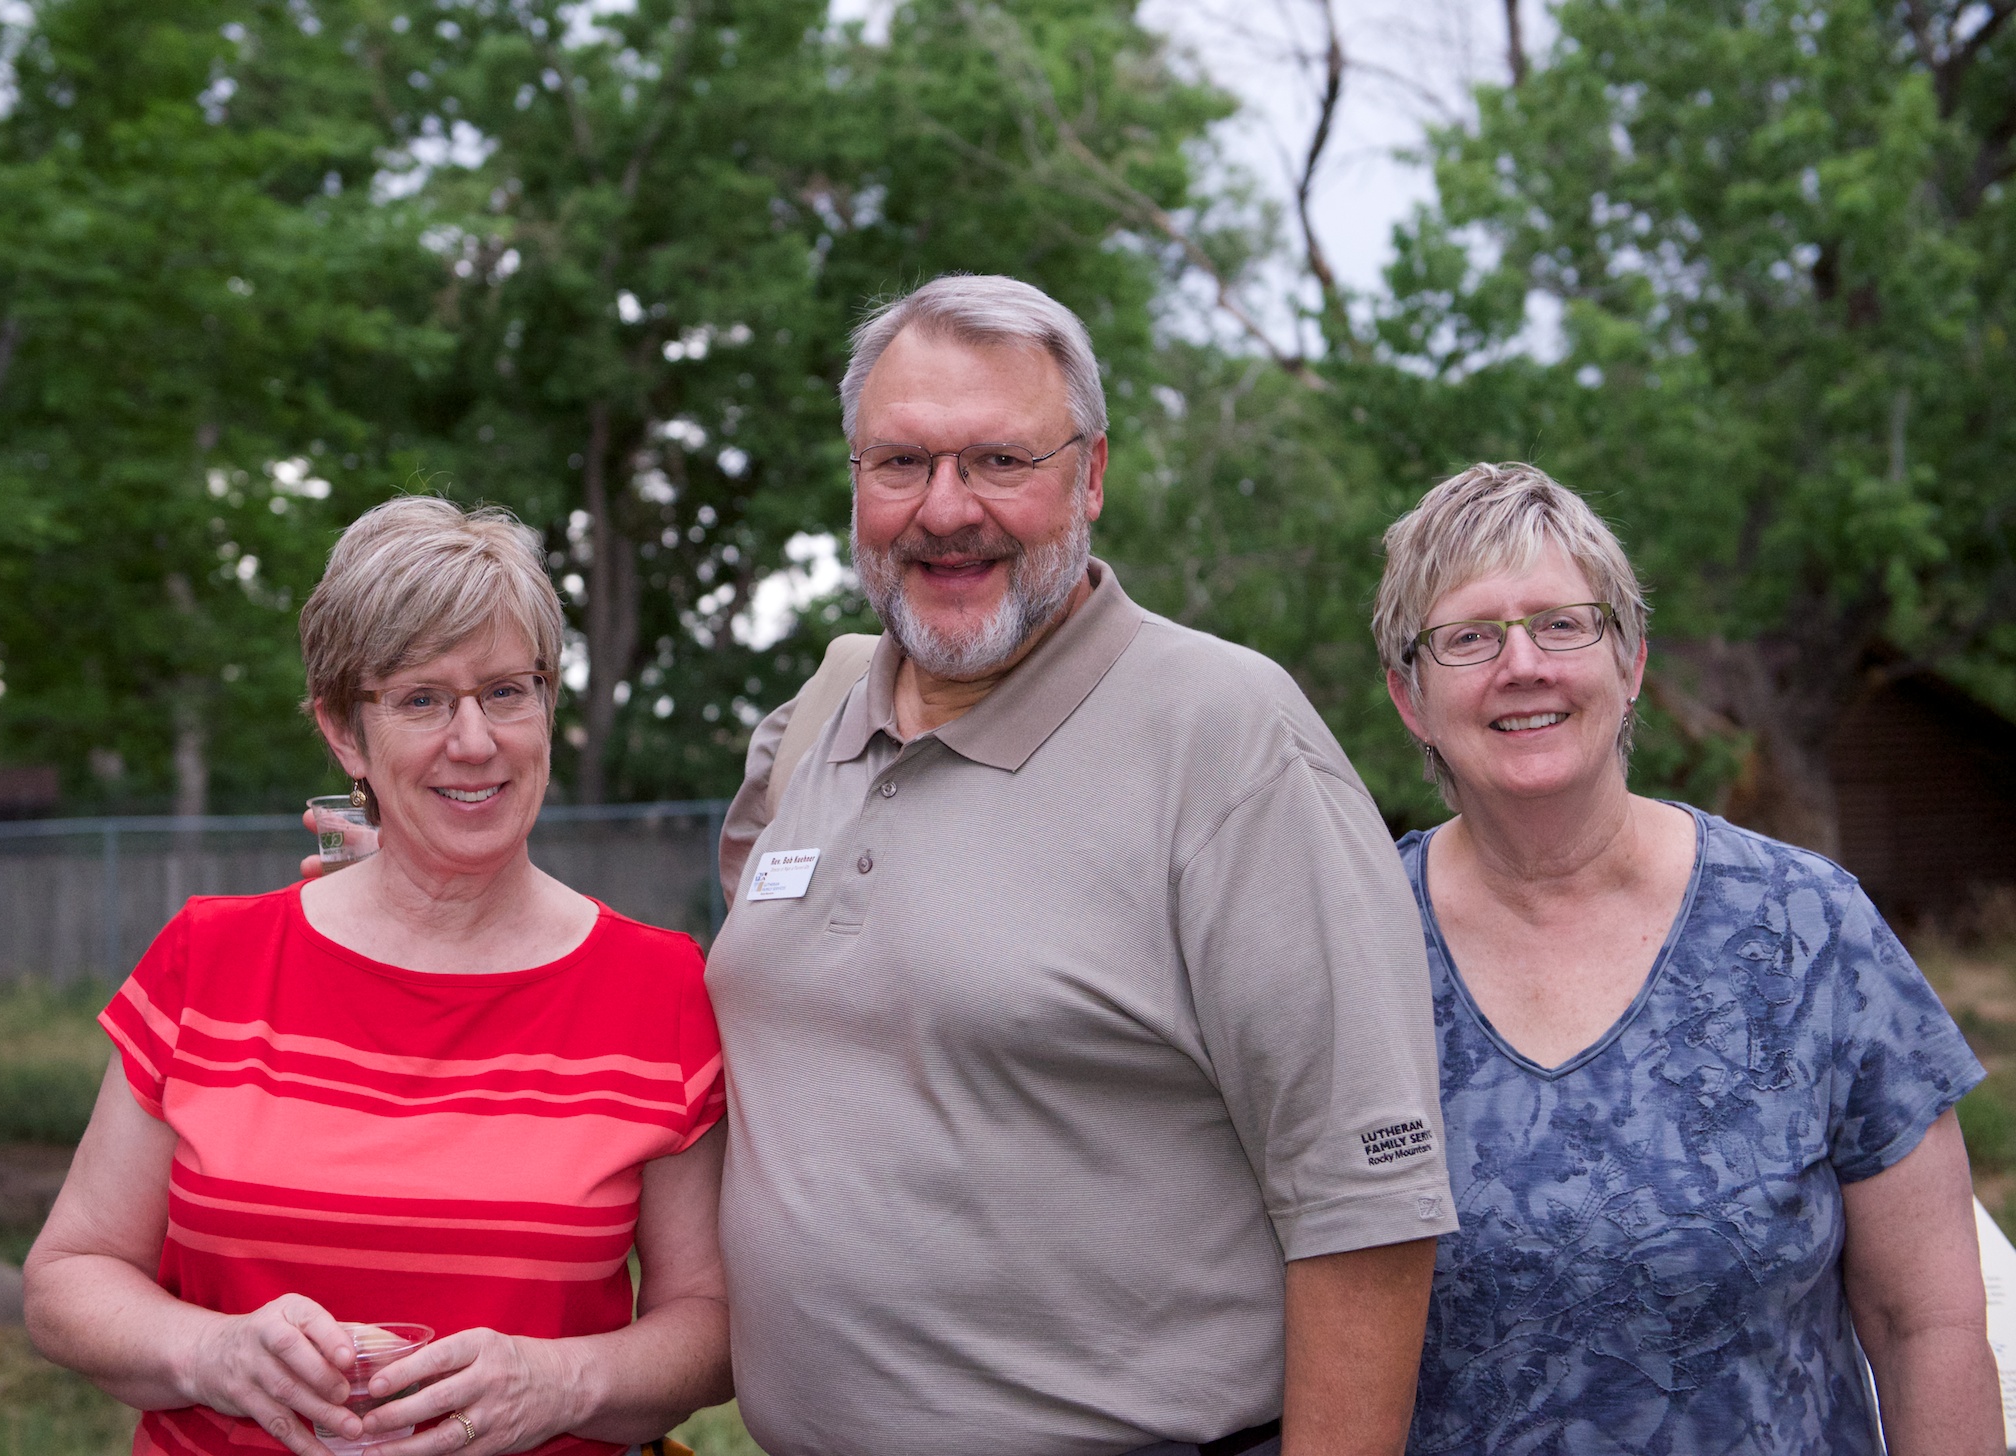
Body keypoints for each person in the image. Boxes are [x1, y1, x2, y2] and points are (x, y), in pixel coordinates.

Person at [708, 274, 1454, 1456]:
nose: (946, 510)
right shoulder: (816, 726)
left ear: (1093, 475)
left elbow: (1366, 1211)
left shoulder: (1228, 735)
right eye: (900, 462)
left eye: (1002, 461)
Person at [24, 497, 730, 1456]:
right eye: (422, 699)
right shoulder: (210, 962)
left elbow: (712, 1325)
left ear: (548, 705)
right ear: (346, 735)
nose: (474, 740)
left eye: (506, 692)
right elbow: (69, 1278)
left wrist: (561, 1380)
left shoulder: (657, 986)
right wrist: (213, 1353)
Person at [1373, 463, 2001, 1455]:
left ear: (1630, 666)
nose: (1522, 663)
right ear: (1411, 698)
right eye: (1468, 638)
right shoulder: (1354, 944)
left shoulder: (1807, 927)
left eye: (1563, 623)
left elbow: (1926, 1324)